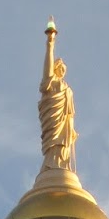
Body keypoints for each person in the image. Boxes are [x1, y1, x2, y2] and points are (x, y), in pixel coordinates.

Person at [39, 22, 77, 172]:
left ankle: (59, 166)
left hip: (65, 126)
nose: (61, 67)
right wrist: (50, 44)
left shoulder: (67, 89)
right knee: (53, 143)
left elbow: (69, 114)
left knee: (62, 148)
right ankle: (50, 167)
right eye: (58, 65)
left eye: (63, 67)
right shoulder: (50, 83)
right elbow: (47, 68)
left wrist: (72, 130)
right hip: (53, 119)